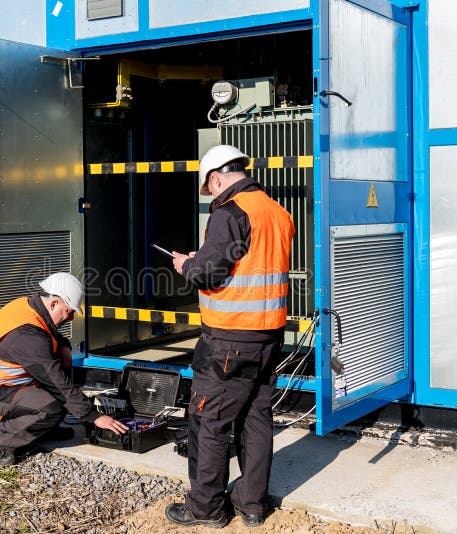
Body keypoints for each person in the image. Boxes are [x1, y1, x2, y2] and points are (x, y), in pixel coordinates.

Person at [166, 145, 295, 528]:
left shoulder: (228, 213)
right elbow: (246, 264)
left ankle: (205, 509)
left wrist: (187, 264)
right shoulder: (277, 212)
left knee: (210, 422)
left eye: (210, 188)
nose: (212, 195)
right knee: (256, 419)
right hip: (269, 336)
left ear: (217, 179)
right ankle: (252, 504)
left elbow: (208, 274)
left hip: (228, 340)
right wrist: (205, 258)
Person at [0, 272, 128, 466]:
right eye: (69, 311)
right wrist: (94, 416)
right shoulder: (26, 337)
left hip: (10, 385)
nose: (71, 317)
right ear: (54, 304)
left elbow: (48, 333)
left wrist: (64, 346)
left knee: (58, 400)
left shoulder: (28, 307)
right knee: (50, 407)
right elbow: (57, 384)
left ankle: (44, 428)